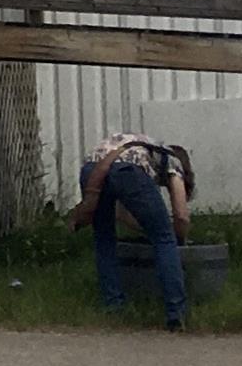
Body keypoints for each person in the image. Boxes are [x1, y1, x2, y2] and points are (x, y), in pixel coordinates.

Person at [68, 131, 194, 327]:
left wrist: (147, 228)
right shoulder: (172, 161)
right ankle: (176, 313)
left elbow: (122, 214)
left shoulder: (144, 144)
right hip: (128, 170)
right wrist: (179, 237)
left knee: (104, 238)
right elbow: (181, 216)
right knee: (164, 239)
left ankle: (113, 308)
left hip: (92, 168)